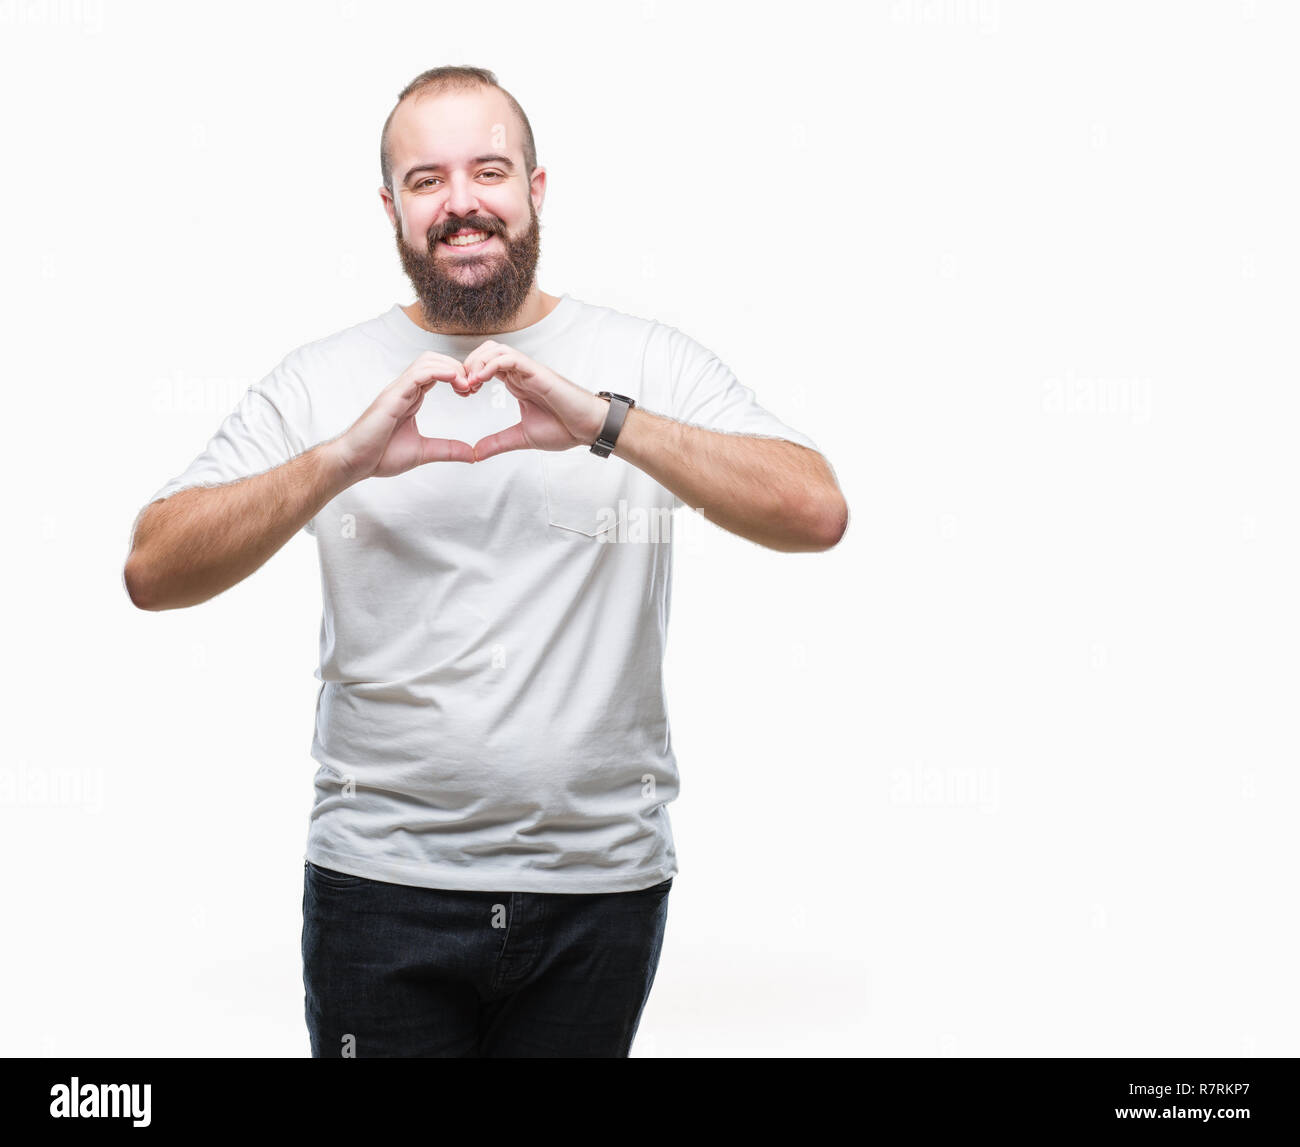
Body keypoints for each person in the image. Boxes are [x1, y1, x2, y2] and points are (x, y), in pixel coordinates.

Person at [124, 65, 848, 1058]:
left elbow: (814, 510)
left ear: (535, 189)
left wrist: (604, 423)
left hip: (599, 887)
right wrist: (339, 462)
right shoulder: (321, 378)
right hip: (379, 885)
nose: (462, 201)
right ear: (392, 210)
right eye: (426, 180)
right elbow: (152, 570)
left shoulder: (642, 360)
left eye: (488, 171)